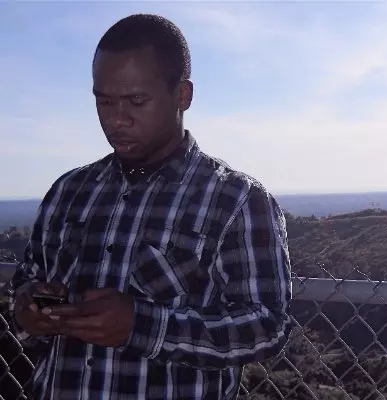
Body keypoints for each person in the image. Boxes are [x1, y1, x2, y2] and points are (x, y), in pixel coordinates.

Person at [4, 14, 292, 400]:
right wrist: (29, 310)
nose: (116, 119)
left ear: (182, 96)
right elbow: (26, 282)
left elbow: (267, 326)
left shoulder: (237, 200)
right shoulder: (68, 191)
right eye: (103, 101)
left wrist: (142, 326)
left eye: (136, 101)